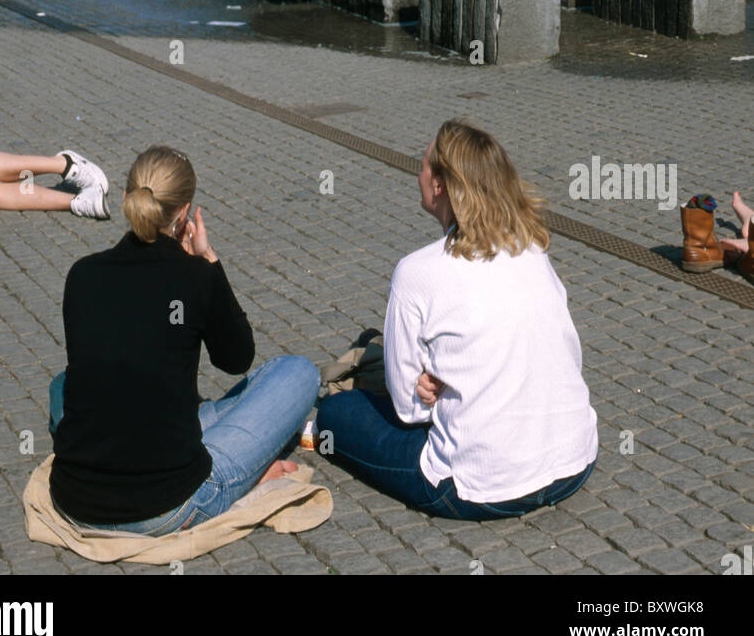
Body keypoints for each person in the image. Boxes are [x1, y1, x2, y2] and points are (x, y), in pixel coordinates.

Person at [315, 121, 598, 520]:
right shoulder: (531, 245)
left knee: (337, 414)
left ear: (440, 185)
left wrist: (445, 380)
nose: (419, 172)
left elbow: (410, 410)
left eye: (424, 164)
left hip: (477, 486)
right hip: (575, 461)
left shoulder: (416, 272)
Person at [48, 145, 319, 533]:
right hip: (168, 502)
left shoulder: (82, 274)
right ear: (185, 214)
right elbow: (236, 358)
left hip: (74, 498)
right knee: (299, 373)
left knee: (64, 384)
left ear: (125, 200)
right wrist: (209, 263)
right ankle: (240, 478)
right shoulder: (196, 277)